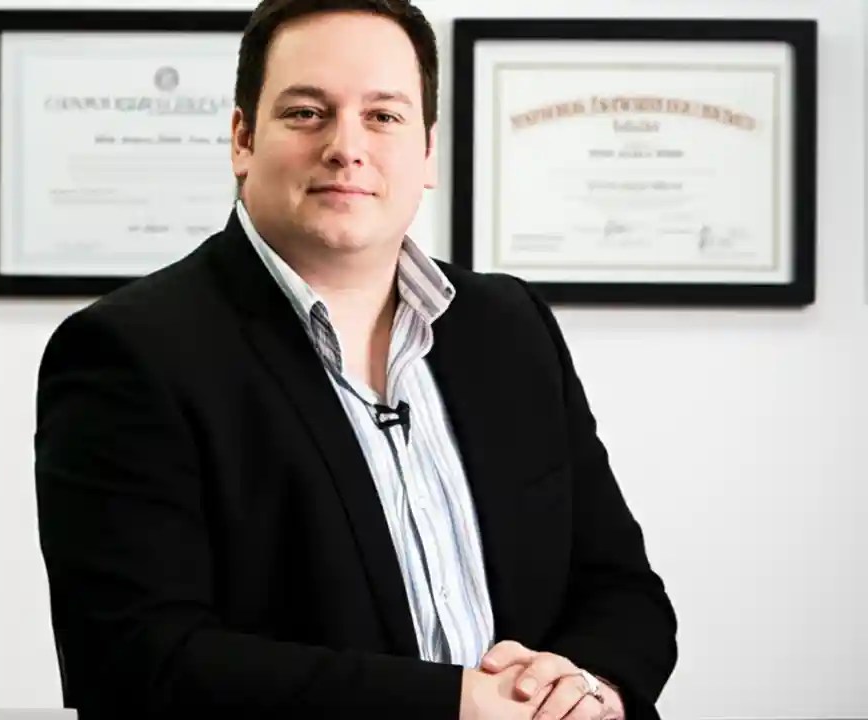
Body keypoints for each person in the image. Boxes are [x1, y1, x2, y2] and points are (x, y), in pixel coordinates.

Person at [34, 0, 677, 718]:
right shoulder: (129, 353)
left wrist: (590, 688)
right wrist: (453, 706)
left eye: (384, 116)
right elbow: (135, 662)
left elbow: (622, 590)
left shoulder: (510, 326)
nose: (346, 146)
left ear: (428, 150)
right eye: (307, 112)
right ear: (242, 139)